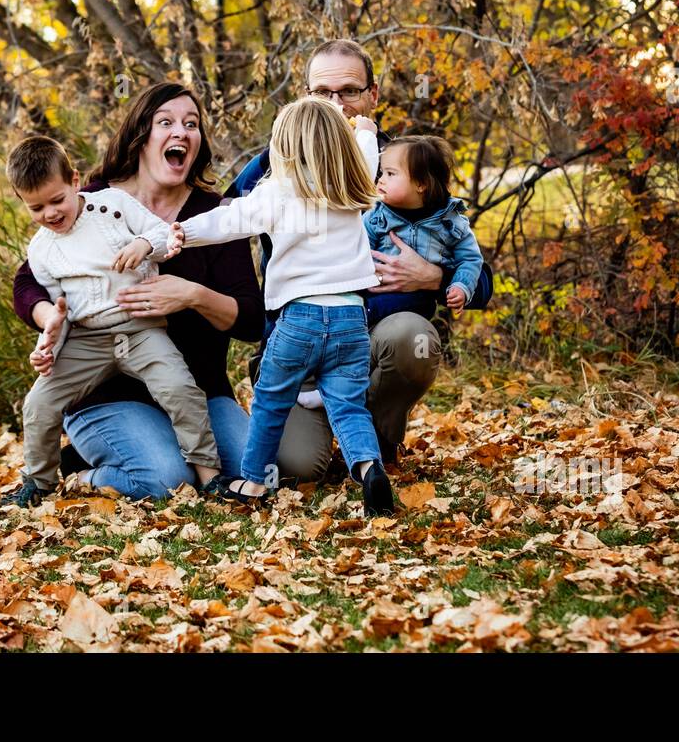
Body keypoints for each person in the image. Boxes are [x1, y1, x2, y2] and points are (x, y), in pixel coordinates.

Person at [226, 39, 493, 480]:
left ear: (373, 94)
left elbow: (479, 275)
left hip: (372, 342)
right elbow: (221, 227)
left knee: (414, 340)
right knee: (298, 466)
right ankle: (324, 428)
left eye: (349, 91)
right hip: (300, 347)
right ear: (304, 95)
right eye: (322, 93)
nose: (336, 105)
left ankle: (378, 441)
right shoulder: (275, 164)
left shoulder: (404, 163)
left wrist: (433, 277)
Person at [6, 82, 263, 504]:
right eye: (167, 122)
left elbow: (252, 319)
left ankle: (203, 468)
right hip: (105, 387)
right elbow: (31, 283)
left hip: (184, 374)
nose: (181, 132)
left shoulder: (215, 216)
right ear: (141, 136)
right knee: (165, 480)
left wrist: (192, 294)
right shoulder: (84, 202)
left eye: (191, 124)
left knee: (255, 469)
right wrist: (46, 325)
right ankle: (64, 476)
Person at [171, 97, 395, 516]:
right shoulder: (352, 181)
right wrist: (364, 129)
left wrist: (183, 231)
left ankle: (253, 482)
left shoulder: (277, 191)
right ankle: (369, 468)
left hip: (299, 319)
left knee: (272, 401)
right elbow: (366, 153)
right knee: (348, 404)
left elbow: (228, 220)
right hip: (350, 317)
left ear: (283, 147)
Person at [297, 134, 484, 410]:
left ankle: (344, 394)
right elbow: (356, 248)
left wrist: (458, 286)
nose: (379, 180)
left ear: (421, 184)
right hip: (369, 293)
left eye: (390, 174)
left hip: (412, 303)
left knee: (369, 325)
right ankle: (327, 376)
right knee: (351, 320)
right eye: (381, 172)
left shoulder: (450, 221)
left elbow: (471, 260)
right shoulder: (377, 215)